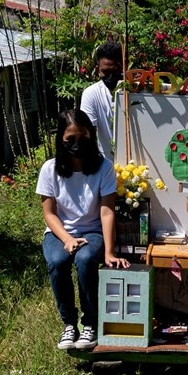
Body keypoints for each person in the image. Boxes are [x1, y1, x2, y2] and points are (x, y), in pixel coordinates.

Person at [37, 109, 130, 350]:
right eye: (70, 140)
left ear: (91, 136)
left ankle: (90, 322)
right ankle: (69, 324)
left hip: (92, 231)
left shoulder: (104, 167)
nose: (77, 144)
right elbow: (49, 213)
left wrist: (109, 252)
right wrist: (67, 239)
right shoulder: (50, 169)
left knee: (87, 259)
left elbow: (107, 211)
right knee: (57, 262)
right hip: (59, 232)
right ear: (60, 139)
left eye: (83, 138)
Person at [79, 40, 123, 158]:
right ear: (98, 69)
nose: (110, 77)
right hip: (107, 161)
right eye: (105, 72)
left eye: (114, 72)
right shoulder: (91, 94)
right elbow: (88, 133)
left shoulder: (133, 90)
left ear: (121, 67)